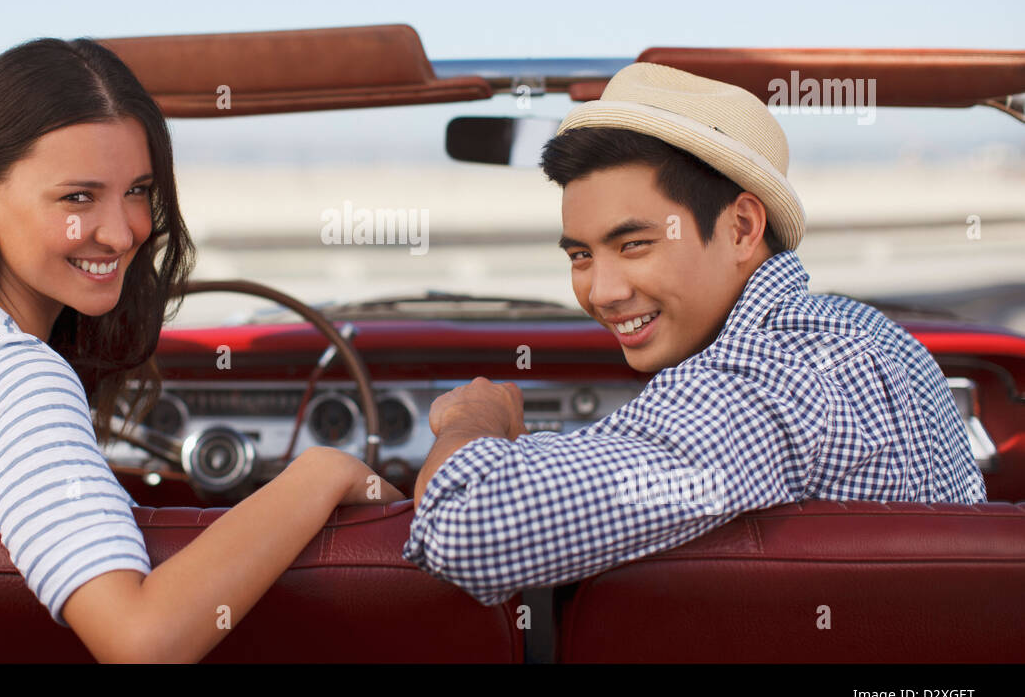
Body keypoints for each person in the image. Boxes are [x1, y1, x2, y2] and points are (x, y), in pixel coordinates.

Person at [0, 37, 401, 663]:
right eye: (78, 197)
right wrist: (323, 472)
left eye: (137, 190)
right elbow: (141, 643)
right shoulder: (14, 377)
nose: (123, 230)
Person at [401, 61, 987, 605]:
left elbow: (466, 524)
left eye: (634, 244)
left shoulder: (768, 377)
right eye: (581, 254)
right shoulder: (862, 335)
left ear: (740, 228)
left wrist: (468, 422)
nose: (601, 292)